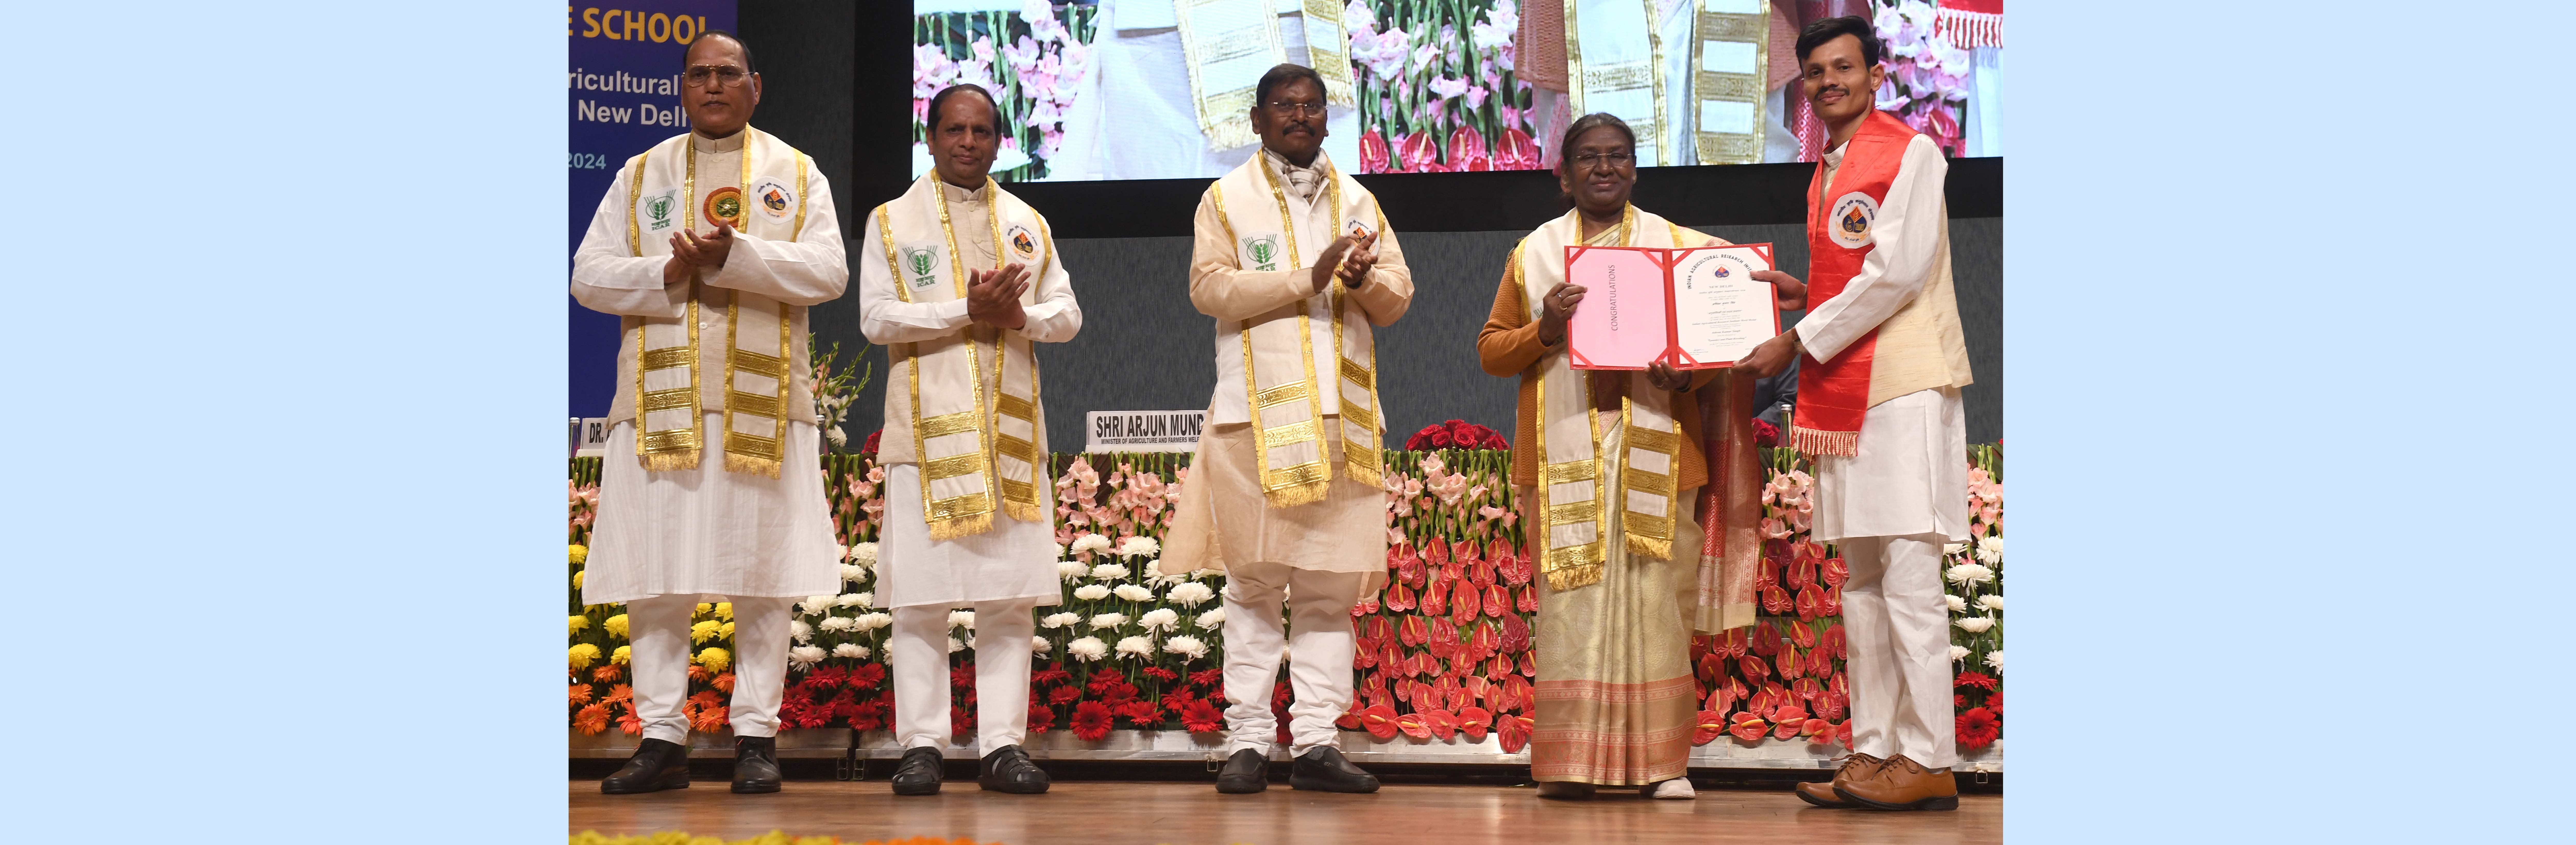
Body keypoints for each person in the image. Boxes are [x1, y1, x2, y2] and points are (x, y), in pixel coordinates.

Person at [1474, 112, 1803, 800]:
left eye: (1618, 157)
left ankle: (1664, 764)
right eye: (1589, 158)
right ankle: (1571, 764)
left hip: (1658, 448)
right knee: (1572, 610)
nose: (1604, 168)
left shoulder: (1678, 250)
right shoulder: (1532, 254)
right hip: (1568, 456)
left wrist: (1689, 377)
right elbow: (1492, 351)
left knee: (1659, 605)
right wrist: (1548, 328)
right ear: (1561, 176)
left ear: (1634, 169)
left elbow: (1718, 349)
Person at [572, 30, 846, 796]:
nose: (715, 86)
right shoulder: (641, 173)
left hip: (764, 405)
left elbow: (829, 271)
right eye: (701, 75)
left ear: (756, 86)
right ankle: (661, 737)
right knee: (655, 573)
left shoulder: (795, 173)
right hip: (660, 405)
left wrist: (737, 258)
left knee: (762, 574)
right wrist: (668, 267)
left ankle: (756, 735)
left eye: (729, 74)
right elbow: (588, 277)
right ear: (683, 88)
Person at [1734, 15, 1975, 812]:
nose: (1828, 82)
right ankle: (1876, 751)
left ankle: (1931, 756)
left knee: (1908, 577)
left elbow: (1899, 274)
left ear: (1876, 75)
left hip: (1901, 386)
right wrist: (1812, 303)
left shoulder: (1909, 152)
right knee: (1863, 582)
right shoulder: (1832, 164)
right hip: (1849, 392)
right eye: (1815, 74)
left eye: (1843, 68)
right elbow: (1860, 276)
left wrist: (1797, 338)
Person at [1156, 63, 1410, 796]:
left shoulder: (1360, 198)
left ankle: (1317, 745)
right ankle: (1247, 741)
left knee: (1331, 589)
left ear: (1327, 118)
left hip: (1344, 420)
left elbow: (1399, 297)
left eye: (1311, 106)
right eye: (1283, 107)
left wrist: (1360, 280)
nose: (1299, 117)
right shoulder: (1225, 198)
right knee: (1254, 586)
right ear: (1258, 120)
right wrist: (1308, 277)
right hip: (1253, 422)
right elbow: (1210, 290)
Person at [860, 83, 1084, 797]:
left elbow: (1069, 316)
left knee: (1007, 601)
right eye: (954, 129)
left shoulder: (1027, 223)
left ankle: (1002, 746)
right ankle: (922, 746)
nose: (968, 143)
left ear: (998, 139)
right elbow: (875, 319)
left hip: (1010, 441)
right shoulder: (894, 222)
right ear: (929, 137)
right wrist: (966, 309)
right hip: (923, 443)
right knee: (921, 601)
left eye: (982, 131)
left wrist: (1017, 317)